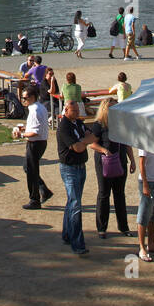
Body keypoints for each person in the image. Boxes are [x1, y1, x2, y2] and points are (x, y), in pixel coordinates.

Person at [56, 99, 97, 256]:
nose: (77, 114)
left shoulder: (78, 123)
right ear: (66, 111)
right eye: (74, 111)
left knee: (72, 202)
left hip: (81, 167)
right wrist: (84, 141)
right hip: (69, 168)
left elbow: (92, 137)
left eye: (78, 111)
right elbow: (79, 147)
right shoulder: (63, 127)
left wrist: (83, 141)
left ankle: (67, 235)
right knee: (75, 205)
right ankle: (77, 243)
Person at [88, 98, 133, 238]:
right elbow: (91, 143)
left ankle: (124, 227)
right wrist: (104, 150)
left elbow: (127, 143)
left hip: (120, 161)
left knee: (120, 194)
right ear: (105, 109)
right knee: (104, 194)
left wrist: (132, 160)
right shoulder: (99, 125)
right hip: (105, 162)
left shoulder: (122, 123)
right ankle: (102, 228)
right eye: (111, 108)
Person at [14, 84, 53, 210]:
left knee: (31, 170)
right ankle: (43, 190)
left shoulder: (35, 110)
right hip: (39, 142)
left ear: (33, 97)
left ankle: (34, 199)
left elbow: (35, 131)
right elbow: (38, 126)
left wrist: (20, 134)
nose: (23, 100)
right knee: (29, 168)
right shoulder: (38, 107)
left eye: (25, 98)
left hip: (35, 142)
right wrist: (25, 129)